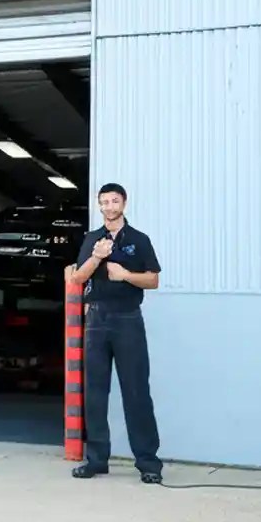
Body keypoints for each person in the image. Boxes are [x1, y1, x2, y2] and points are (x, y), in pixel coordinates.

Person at [67, 183, 164, 483]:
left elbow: (153, 280)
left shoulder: (139, 240)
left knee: (136, 391)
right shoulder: (92, 239)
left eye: (114, 201)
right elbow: (77, 278)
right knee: (95, 392)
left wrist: (124, 275)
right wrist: (97, 257)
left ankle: (148, 463)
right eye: (104, 202)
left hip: (127, 320)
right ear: (99, 206)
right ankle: (96, 460)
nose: (109, 207)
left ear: (124, 203)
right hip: (96, 320)